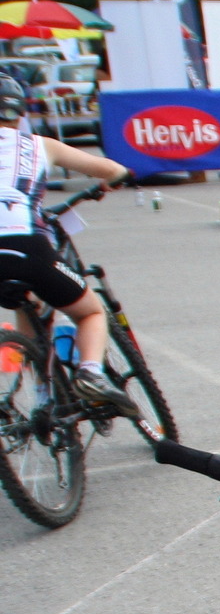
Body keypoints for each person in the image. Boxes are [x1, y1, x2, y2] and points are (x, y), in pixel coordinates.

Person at [0, 76, 134, 417]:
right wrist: (113, 181)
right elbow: (115, 170)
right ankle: (91, 373)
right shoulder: (40, 145)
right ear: (19, 112)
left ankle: (41, 398)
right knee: (90, 312)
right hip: (26, 244)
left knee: (27, 304)